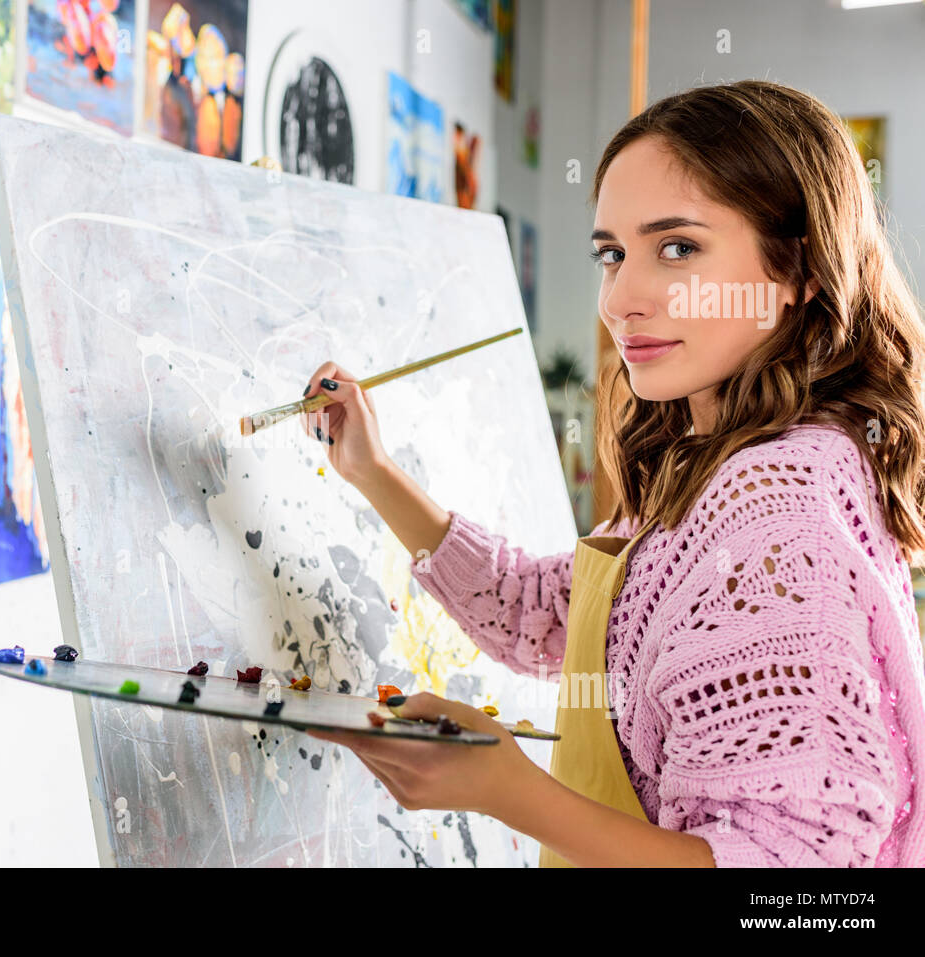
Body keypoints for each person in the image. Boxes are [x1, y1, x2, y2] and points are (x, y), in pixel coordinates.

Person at [303, 80, 925, 867]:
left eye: (678, 248)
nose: (620, 300)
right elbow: (540, 615)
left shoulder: (773, 512)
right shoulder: (710, 466)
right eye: (612, 254)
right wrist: (373, 469)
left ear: (797, 269)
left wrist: (506, 788)